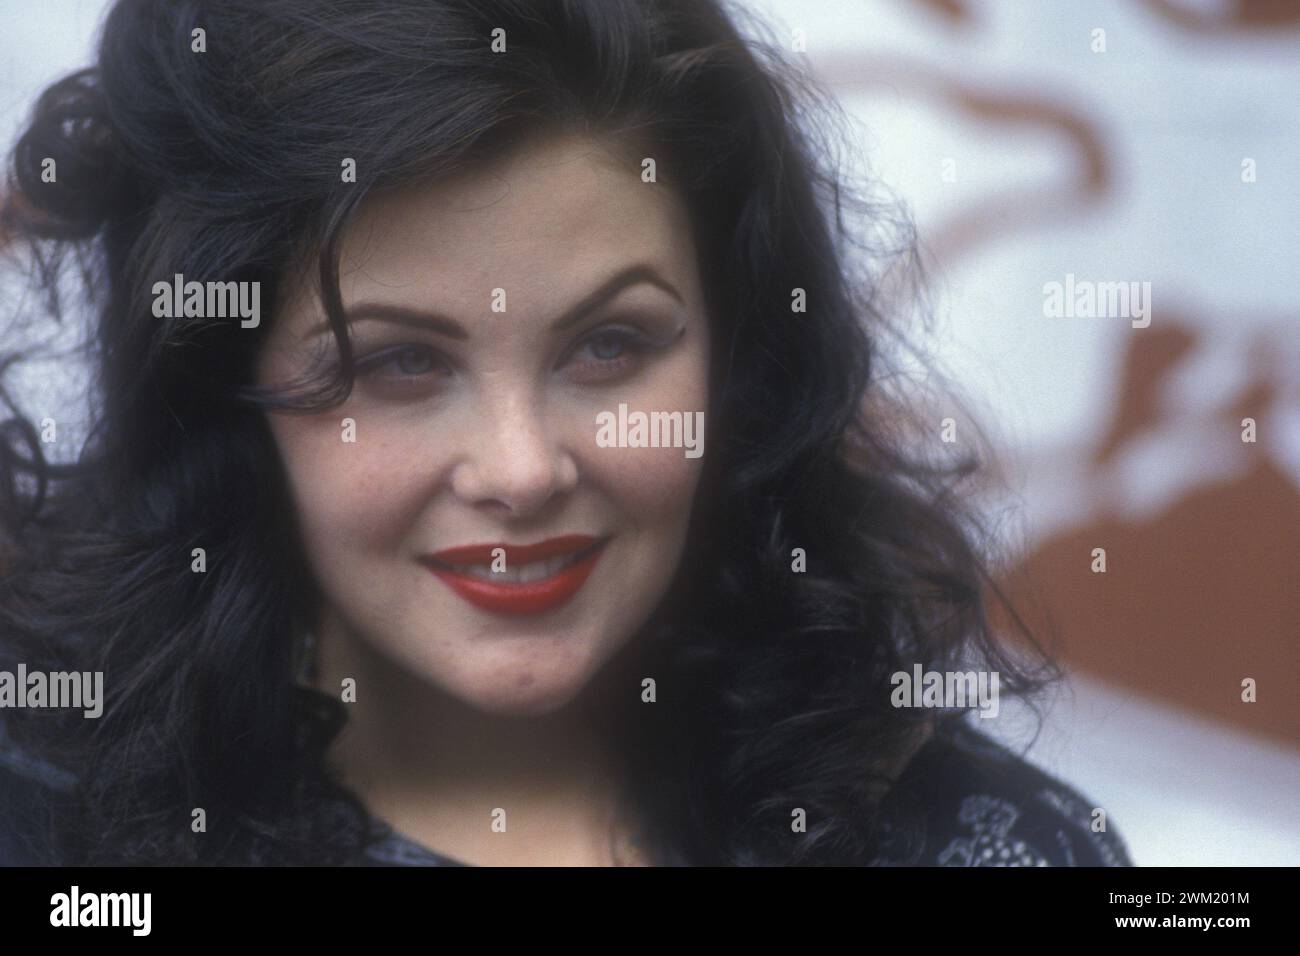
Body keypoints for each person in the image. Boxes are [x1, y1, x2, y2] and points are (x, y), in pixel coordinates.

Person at [0, 0, 1132, 867]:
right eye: (399, 362)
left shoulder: (993, 846)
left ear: (738, 356)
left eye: (608, 347)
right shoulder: (46, 818)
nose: (522, 467)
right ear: (220, 384)